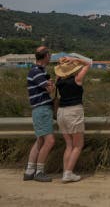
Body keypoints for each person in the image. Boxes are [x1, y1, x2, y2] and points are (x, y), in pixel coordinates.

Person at [54, 56, 90, 183]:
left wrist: (63, 63)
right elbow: (88, 64)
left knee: (69, 145)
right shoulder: (77, 79)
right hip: (74, 112)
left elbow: (58, 72)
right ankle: (68, 173)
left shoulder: (58, 81)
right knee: (78, 145)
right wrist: (73, 58)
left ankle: (66, 172)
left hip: (61, 113)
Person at [23, 46, 56, 182]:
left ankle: (30, 171)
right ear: (45, 56)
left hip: (38, 109)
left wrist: (49, 84)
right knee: (50, 140)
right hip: (42, 109)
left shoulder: (37, 71)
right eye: (49, 55)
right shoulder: (37, 72)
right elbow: (50, 90)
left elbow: (48, 87)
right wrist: (53, 82)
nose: (50, 57)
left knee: (40, 140)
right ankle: (39, 172)